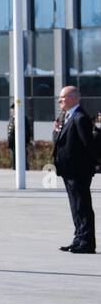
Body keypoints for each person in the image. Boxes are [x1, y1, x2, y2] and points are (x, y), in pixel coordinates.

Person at [53, 86, 96, 254]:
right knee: (75, 206)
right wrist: (56, 130)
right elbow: (60, 142)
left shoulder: (80, 118)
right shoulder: (66, 116)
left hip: (78, 171)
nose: (59, 101)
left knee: (82, 206)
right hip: (68, 170)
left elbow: (89, 145)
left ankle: (87, 242)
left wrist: (87, 167)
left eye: (62, 97)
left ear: (74, 98)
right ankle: (79, 238)